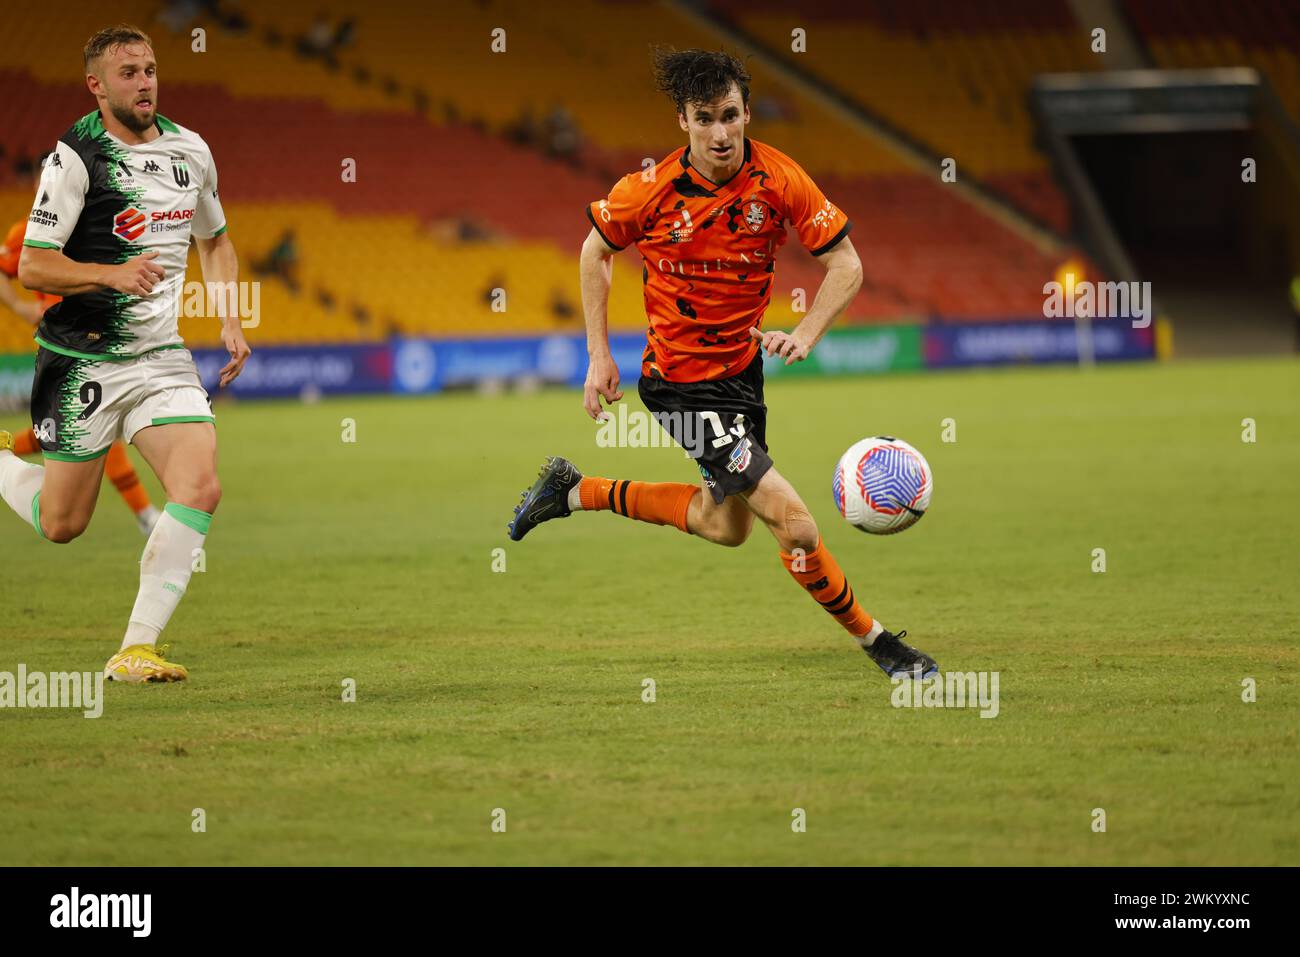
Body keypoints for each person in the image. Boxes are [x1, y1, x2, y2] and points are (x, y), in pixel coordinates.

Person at [507, 49, 937, 679]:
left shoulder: (780, 179)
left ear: (745, 113)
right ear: (683, 121)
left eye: (729, 115)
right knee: (795, 525)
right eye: (704, 118)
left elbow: (847, 264)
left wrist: (809, 331)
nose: (720, 133)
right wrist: (598, 353)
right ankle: (880, 645)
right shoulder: (649, 191)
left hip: (741, 378)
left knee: (724, 525)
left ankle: (572, 490)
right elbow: (594, 251)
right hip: (679, 387)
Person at [0, 23, 252, 683]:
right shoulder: (75, 157)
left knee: (201, 483)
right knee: (63, 524)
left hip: (161, 357)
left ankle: (134, 648)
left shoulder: (190, 150)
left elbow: (216, 240)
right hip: (80, 357)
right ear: (97, 85)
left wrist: (231, 317)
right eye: (128, 73)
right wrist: (110, 274)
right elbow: (32, 266)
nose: (144, 83)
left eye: (149, 69)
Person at [0, 153, 161, 536]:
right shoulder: (26, 232)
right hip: (64, 347)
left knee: (74, 434)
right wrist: (23, 308)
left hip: (98, 342)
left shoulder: (94, 227)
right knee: (93, 431)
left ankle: (4, 452)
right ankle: (145, 515)